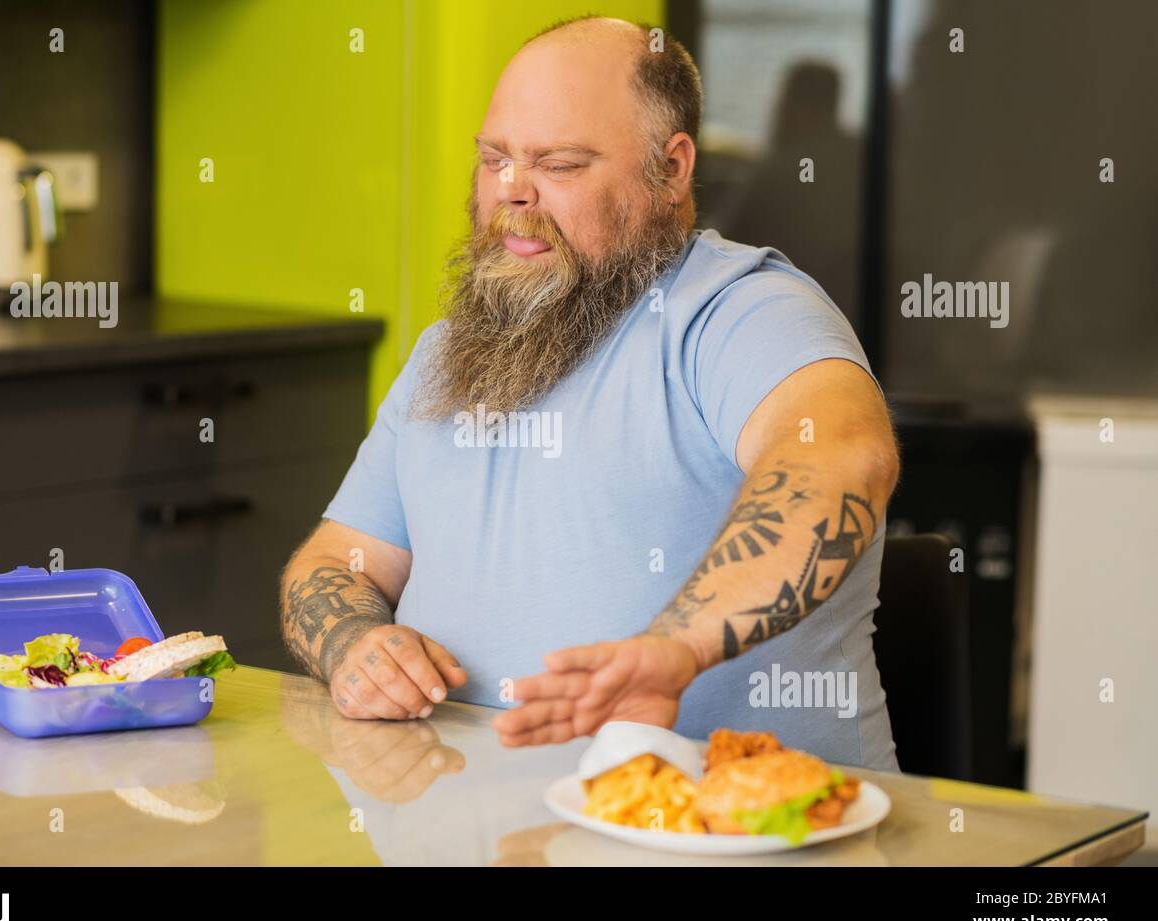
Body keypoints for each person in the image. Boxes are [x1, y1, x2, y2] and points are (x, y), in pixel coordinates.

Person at [279, 16, 900, 769]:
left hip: (736, 832)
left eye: (561, 165)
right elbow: (336, 560)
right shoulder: (446, 351)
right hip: (475, 829)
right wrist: (354, 646)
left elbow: (843, 460)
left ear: (671, 170)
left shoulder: (743, 310)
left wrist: (673, 650)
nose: (513, 190)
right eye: (493, 159)